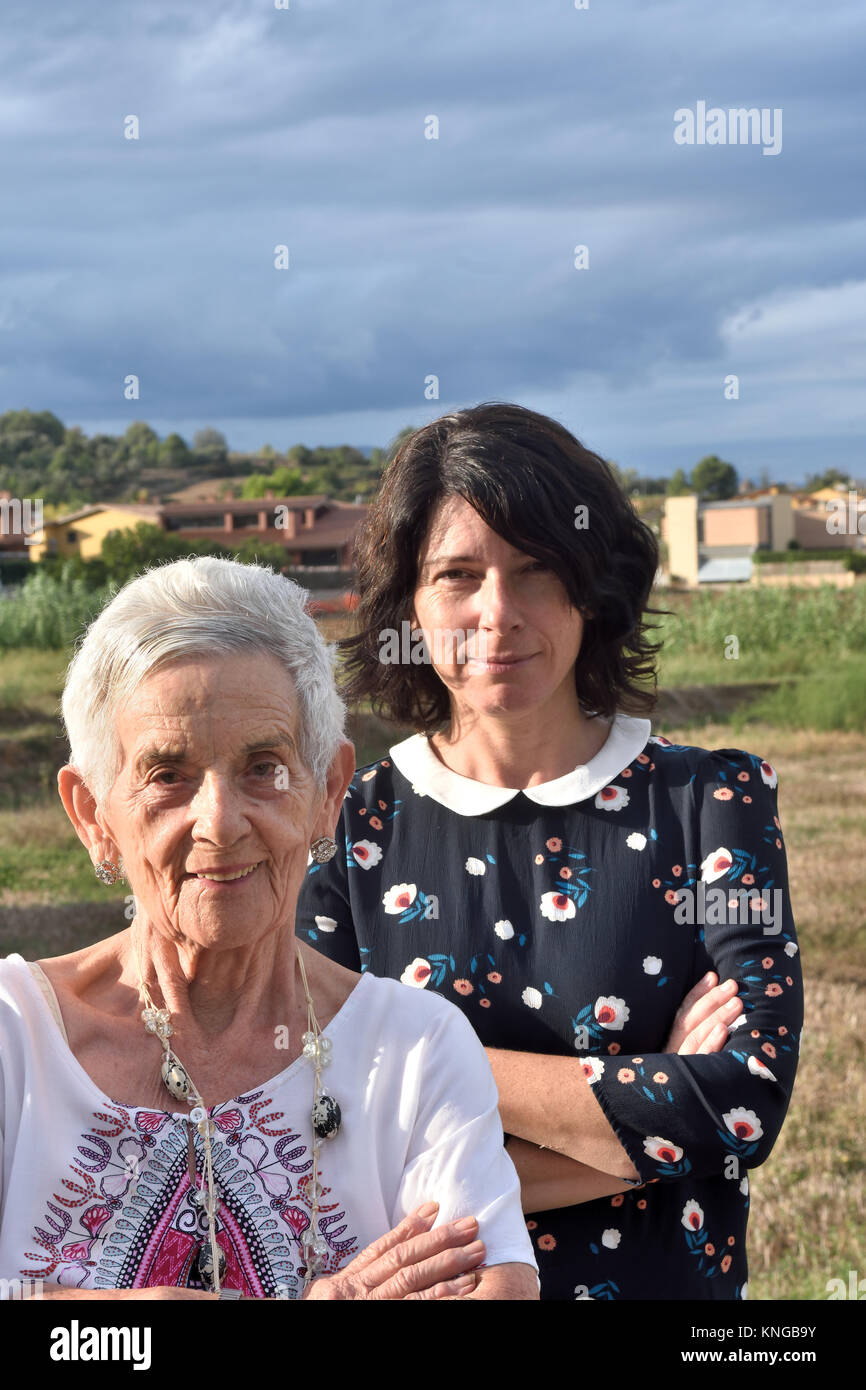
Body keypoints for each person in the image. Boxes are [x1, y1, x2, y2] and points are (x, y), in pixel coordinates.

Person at [297, 401, 804, 1301]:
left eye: (535, 571)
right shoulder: (341, 827)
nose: (499, 614)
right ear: (408, 601)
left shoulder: (716, 804)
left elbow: (745, 1099)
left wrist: (414, 1061)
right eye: (457, 575)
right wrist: (646, 1120)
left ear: (591, 586)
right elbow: (323, 1141)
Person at [0, 555, 538, 1300]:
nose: (219, 822)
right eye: (167, 775)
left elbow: (491, 1294)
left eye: (264, 767)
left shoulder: (415, 1050)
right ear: (93, 814)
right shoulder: (11, 1036)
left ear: (328, 794)